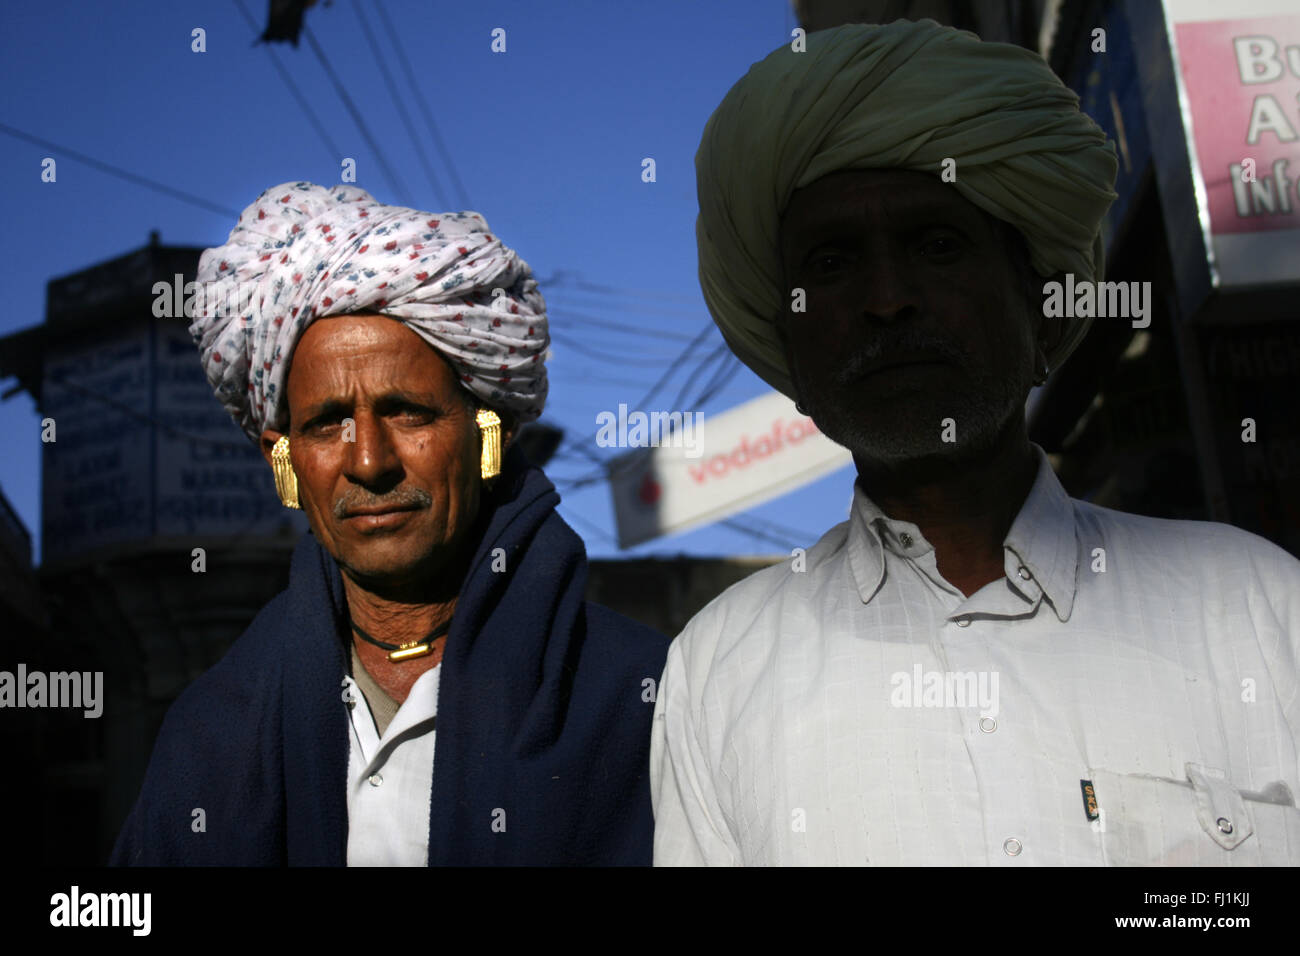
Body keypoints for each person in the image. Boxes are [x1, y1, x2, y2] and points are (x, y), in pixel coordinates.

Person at [651, 20, 1300, 866]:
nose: (888, 299)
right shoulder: (716, 674)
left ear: (1041, 312)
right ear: (796, 361)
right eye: (835, 264)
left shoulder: (1256, 606)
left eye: (937, 244)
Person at [112, 181, 668, 865]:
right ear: (282, 459)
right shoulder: (211, 735)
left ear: (485, 433)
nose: (369, 462)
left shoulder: (644, 700)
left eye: (408, 411)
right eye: (325, 424)